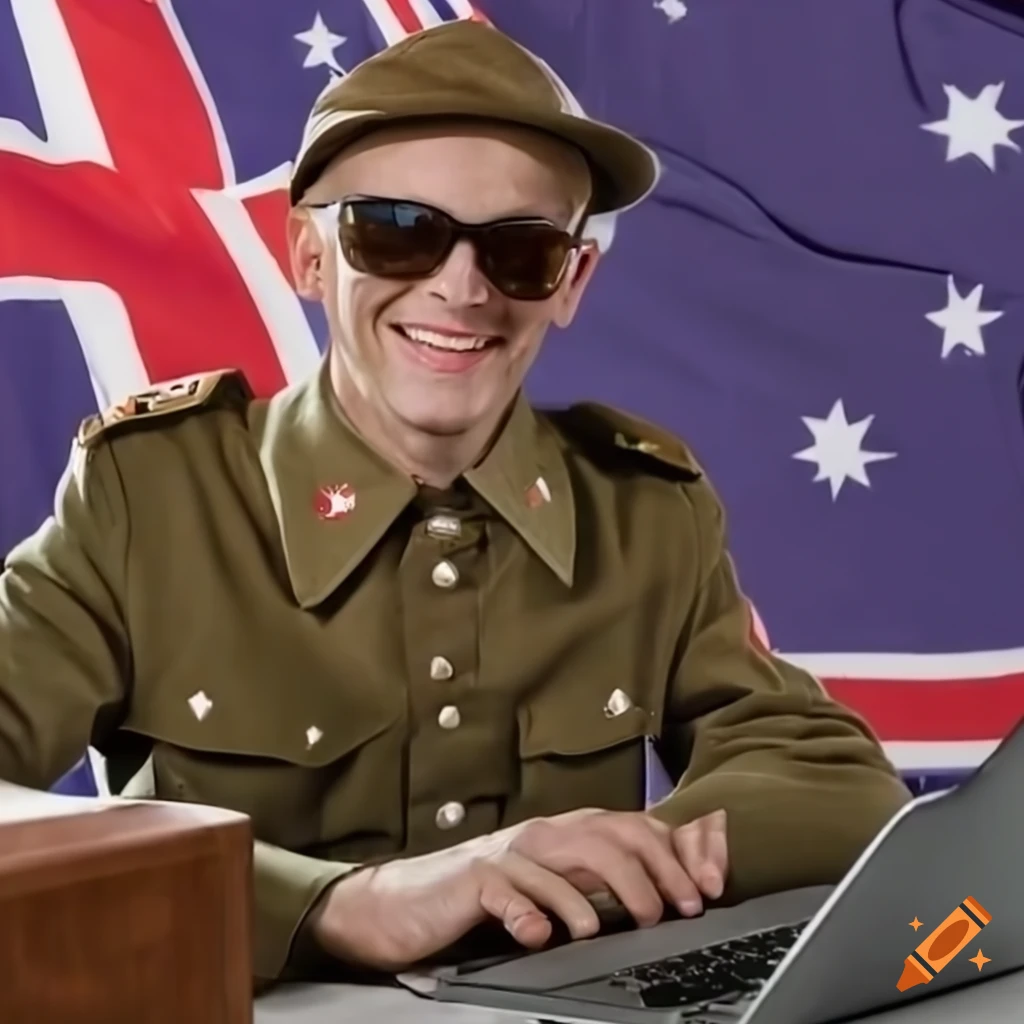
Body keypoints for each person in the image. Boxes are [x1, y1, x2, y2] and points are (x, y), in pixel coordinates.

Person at [0, 20, 910, 985]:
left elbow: (833, 781)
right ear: (309, 255)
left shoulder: (642, 511)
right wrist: (331, 906)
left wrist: (607, 867)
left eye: (521, 251)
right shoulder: (153, 500)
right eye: (396, 232)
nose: (461, 289)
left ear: (571, 281)